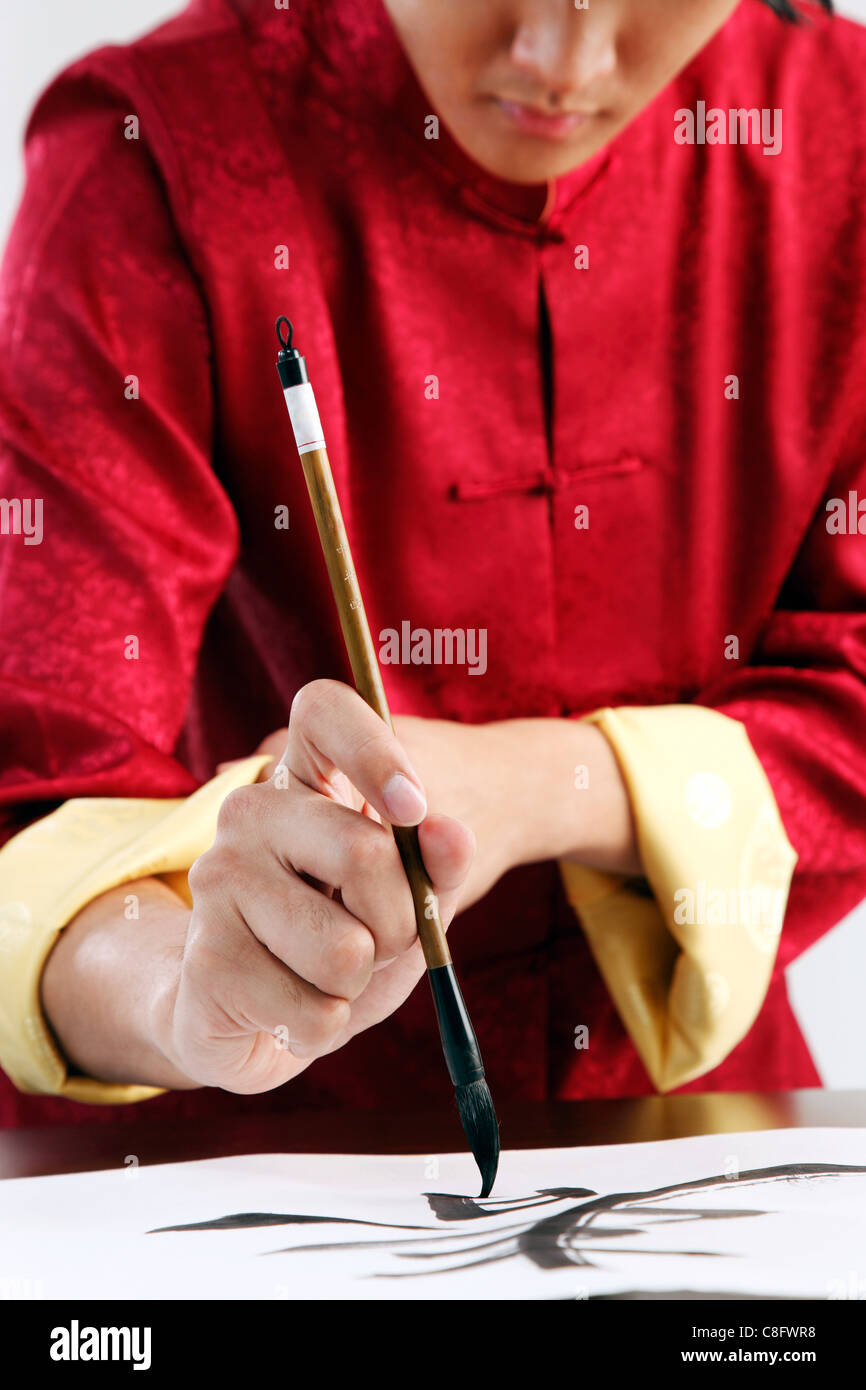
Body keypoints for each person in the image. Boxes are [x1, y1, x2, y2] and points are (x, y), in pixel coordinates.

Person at [0, 0, 861, 1130]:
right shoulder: (160, 150)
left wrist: (538, 784)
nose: (565, 64)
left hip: (707, 1148)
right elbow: (36, 790)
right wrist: (178, 988)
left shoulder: (835, 134)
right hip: (235, 1160)